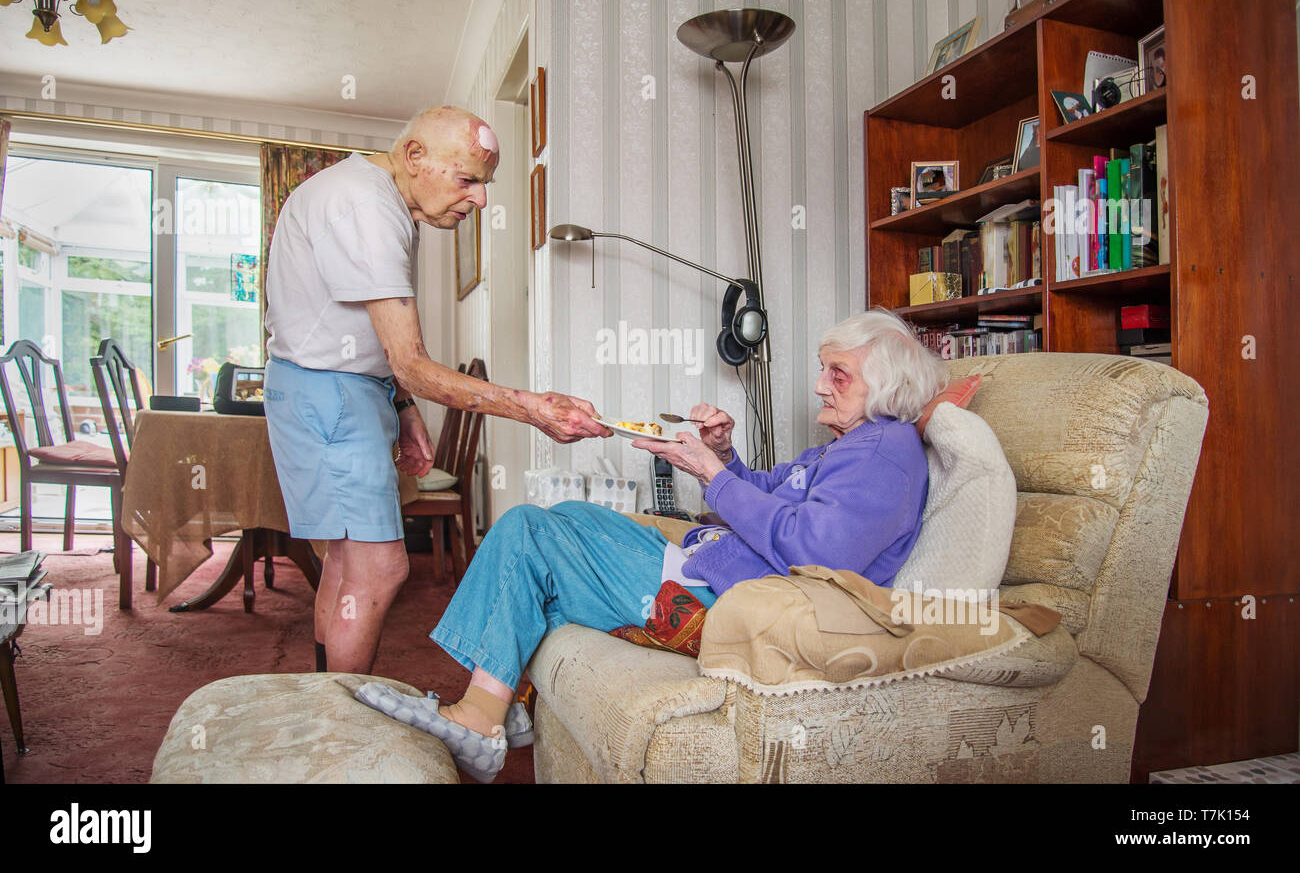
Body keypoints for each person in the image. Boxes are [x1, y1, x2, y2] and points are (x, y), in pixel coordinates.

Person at [355, 307, 948, 781]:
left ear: (888, 383)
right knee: (567, 515)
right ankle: (501, 698)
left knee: (525, 531)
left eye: (837, 373)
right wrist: (717, 455)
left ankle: (481, 715)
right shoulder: (848, 447)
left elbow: (818, 551)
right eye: (823, 368)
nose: (819, 385)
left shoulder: (882, 454)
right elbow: (768, 491)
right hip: (714, 563)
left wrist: (712, 476)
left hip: (725, 596)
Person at [262, 105, 610, 677]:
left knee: (346, 565)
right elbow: (414, 364)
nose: (480, 200)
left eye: (485, 183)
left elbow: (371, 345)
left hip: (336, 392)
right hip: (332, 398)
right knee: (379, 570)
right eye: (467, 179)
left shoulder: (376, 194)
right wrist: (532, 406)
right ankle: (344, 719)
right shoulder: (367, 206)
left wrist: (401, 408)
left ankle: (326, 702)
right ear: (415, 156)